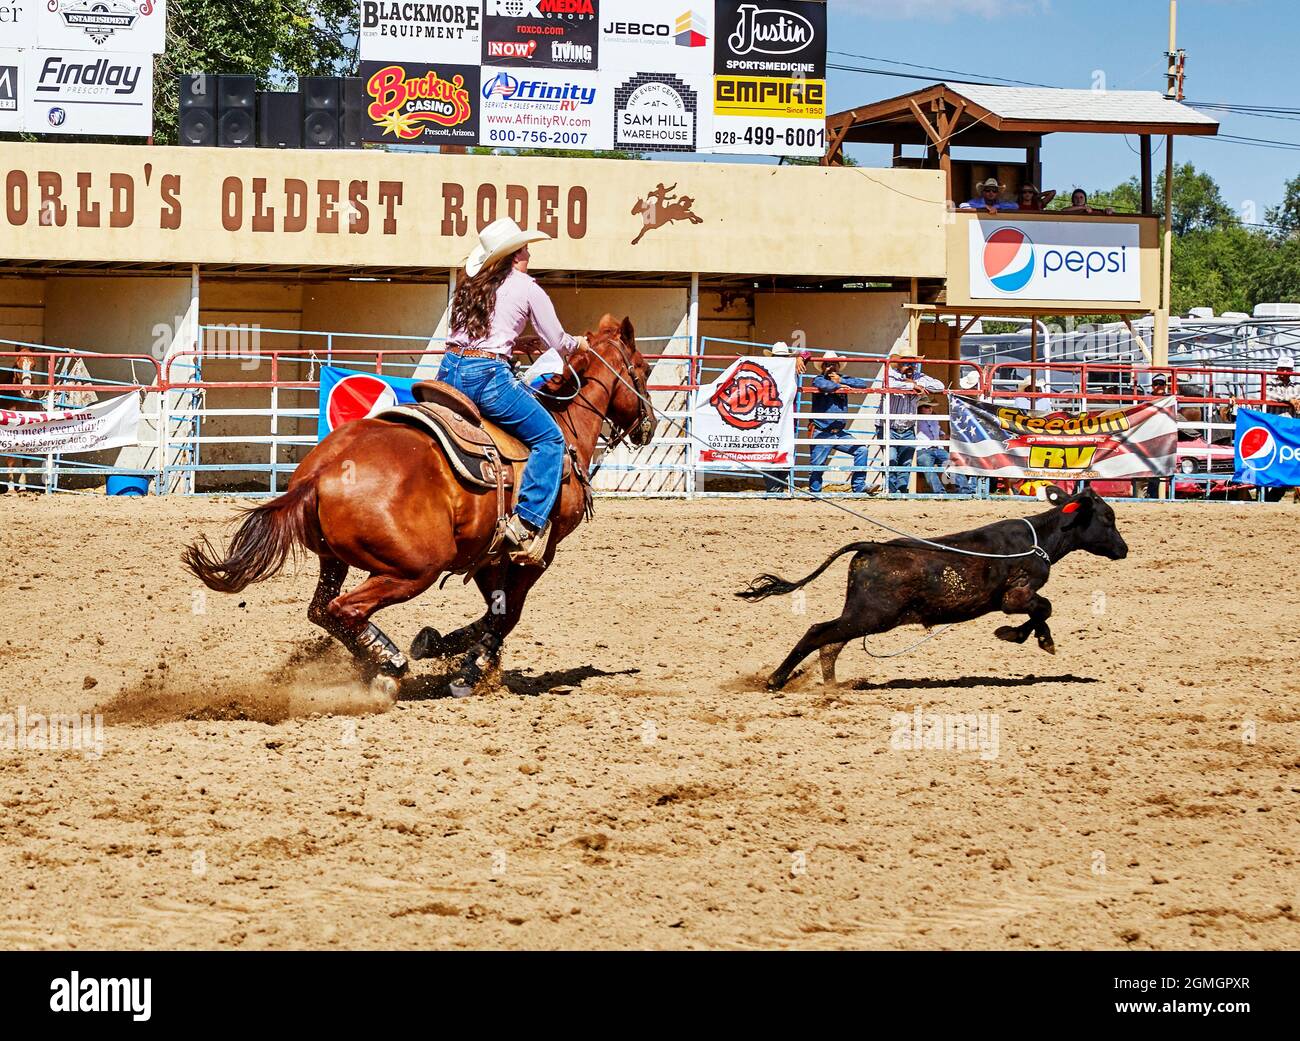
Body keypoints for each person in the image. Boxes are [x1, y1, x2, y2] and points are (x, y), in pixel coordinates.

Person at [438, 217, 589, 566]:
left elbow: (473, 333)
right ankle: (525, 523)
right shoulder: (527, 287)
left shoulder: (470, 285)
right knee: (549, 439)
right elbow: (560, 342)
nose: (529, 252)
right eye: (525, 247)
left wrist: (516, 341)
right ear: (516, 254)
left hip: (449, 370)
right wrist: (579, 343)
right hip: (487, 377)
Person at [807, 351, 872, 494]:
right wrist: (839, 386)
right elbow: (826, 386)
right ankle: (815, 493)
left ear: (838, 366)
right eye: (827, 364)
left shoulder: (842, 379)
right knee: (817, 465)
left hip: (838, 431)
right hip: (822, 430)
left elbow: (862, 384)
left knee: (862, 450)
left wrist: (841, 382)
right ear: (823, 367)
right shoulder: (818, 379)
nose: (830, 367)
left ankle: (859, 487)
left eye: (833, 364)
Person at [882, 348, 945, 494]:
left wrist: (916, 382)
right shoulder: (890, 373)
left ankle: (901, 491)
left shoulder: (918, 376)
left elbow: (939, 385)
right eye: (907, 362)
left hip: (908, 427)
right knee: (891, 458)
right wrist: (913, 386)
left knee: (906, 461)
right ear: (898, 363)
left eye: (913, 362)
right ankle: (891, 491)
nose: (911, 366)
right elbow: (889, 384)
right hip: (889, 426)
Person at [762, 341, 807, 494]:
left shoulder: (790, 368)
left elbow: (807, 353)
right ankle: (774, 487)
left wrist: (800, 357)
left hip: (784, 418)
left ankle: (778, 486)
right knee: (768, 452)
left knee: (784, 452)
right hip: (770, 417)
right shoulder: (768, 370)